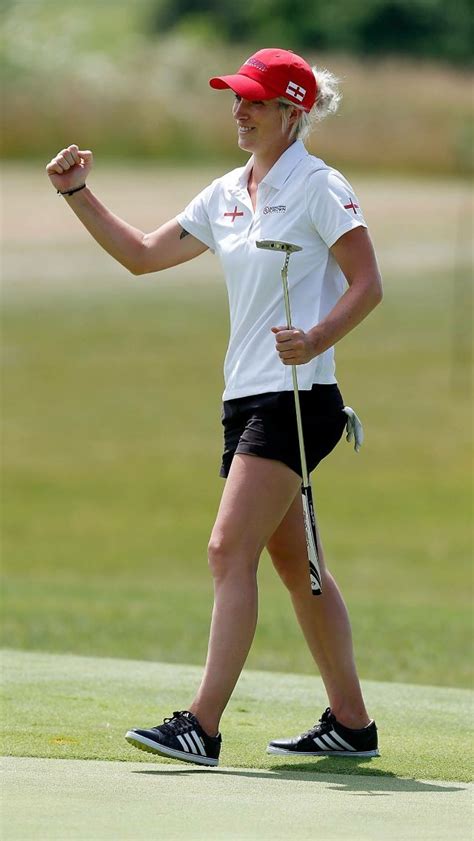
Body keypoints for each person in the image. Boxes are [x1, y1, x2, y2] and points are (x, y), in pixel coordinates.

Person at [46, 48, 383, 767]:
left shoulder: (320, 186)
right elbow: (143, 255)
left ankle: (201, 724)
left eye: (254, 101)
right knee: (296, 564)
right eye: (237, 98)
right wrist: (78, 194)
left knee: (228, 549)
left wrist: (316, 338)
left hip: (298, 398)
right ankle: (353, 724)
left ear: (291, 112)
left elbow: (367, 283)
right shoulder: (227, 192)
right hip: (246, 397)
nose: (239, 110)